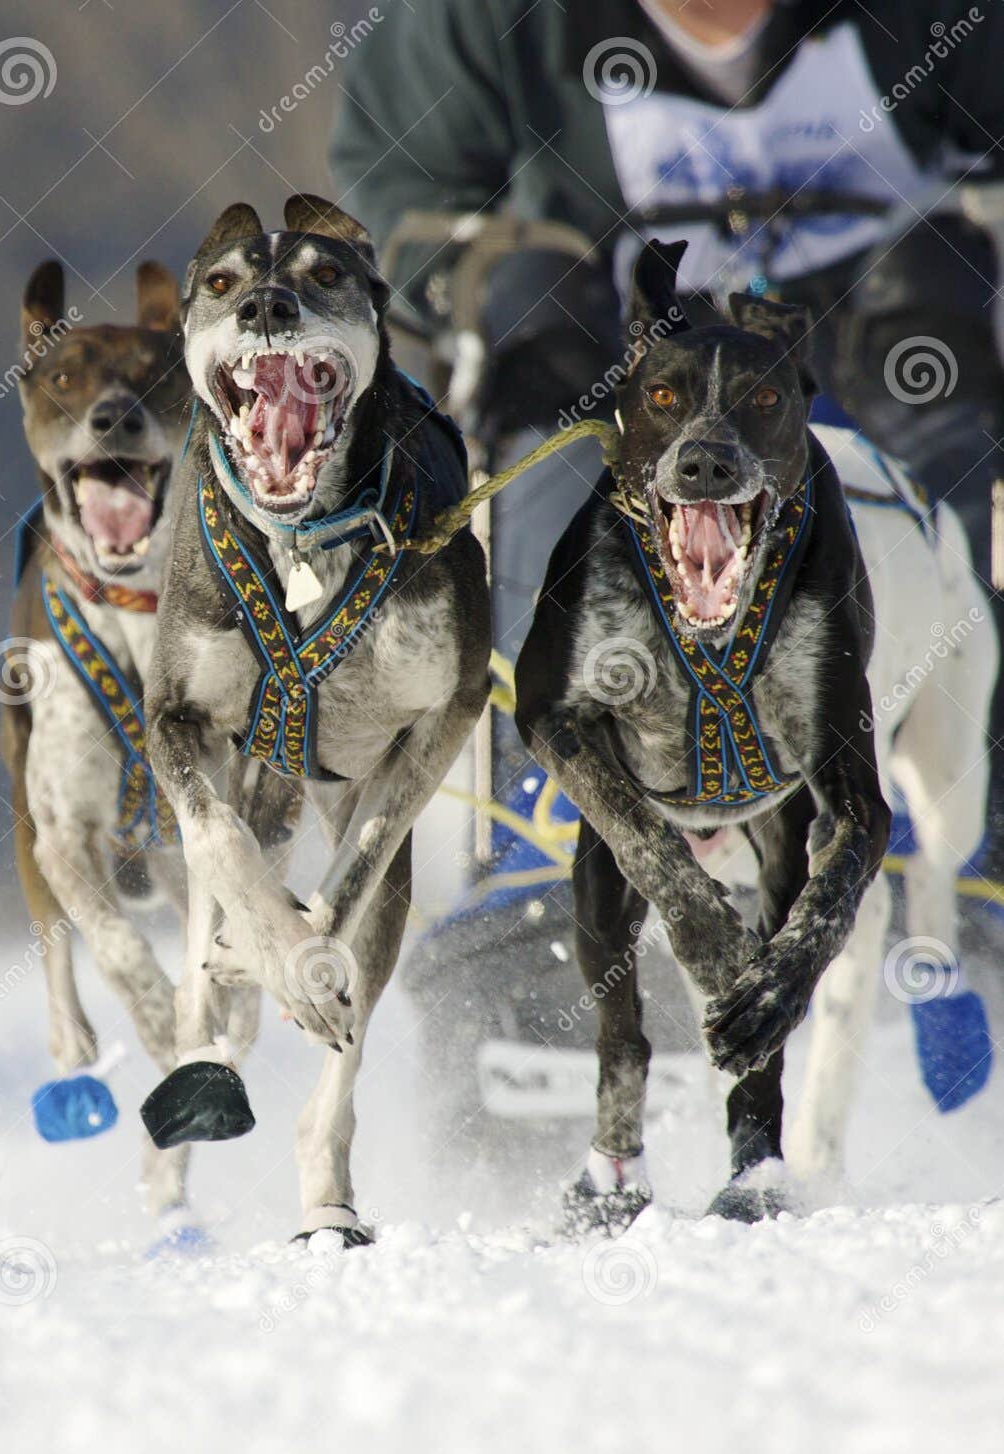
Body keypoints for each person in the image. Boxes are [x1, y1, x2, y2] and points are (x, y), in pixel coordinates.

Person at [330, 0, 1004, 1126]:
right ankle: (563, 808)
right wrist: (482, 277)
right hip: (617, 348)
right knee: (550, 438)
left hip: (880, 340)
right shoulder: (488, 25)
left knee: (941, 444)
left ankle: (956, 834)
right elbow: (409, 194)